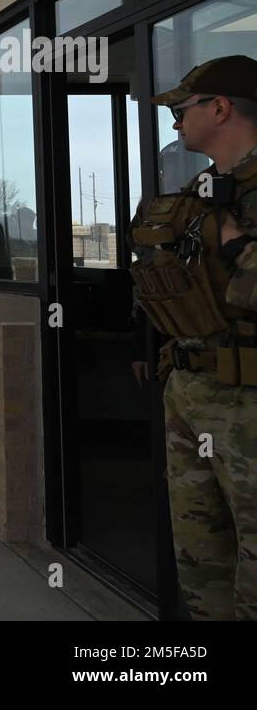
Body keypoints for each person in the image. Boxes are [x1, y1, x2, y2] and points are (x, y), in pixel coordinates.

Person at [130, 54, 257, 620]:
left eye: (181, 111)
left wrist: (233, 242)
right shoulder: (198, 192)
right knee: (201, 562)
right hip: (191, 388)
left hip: (247, 402)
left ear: (221, 107)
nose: (174, 123)